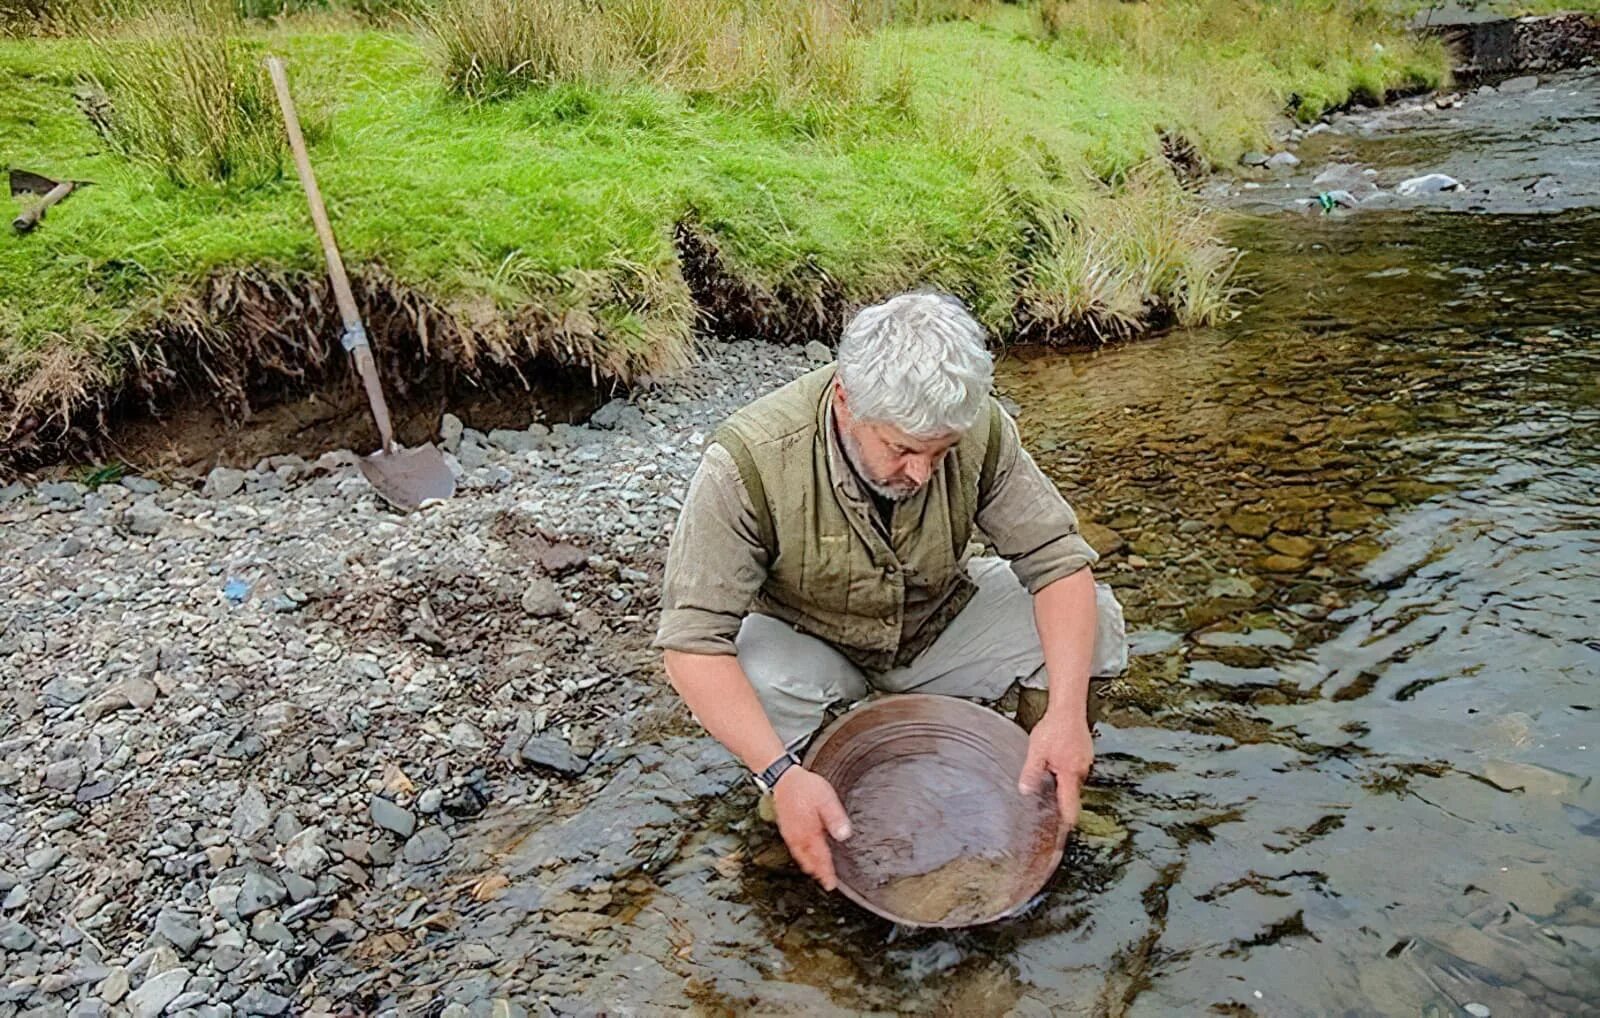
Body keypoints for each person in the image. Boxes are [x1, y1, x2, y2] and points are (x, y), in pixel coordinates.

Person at [652, 291, 1126, 891]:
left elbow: (1057, 563)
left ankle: (1039, 793)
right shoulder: (748, 463)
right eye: (902, 449)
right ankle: (795, 793)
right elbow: (692, 644)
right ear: (846, 403)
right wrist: (780, 775)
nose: (922, 473)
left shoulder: (981, 428)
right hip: (815, 644)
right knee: (750, 667)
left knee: (1099, 623)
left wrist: (1064, 714)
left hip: (936, 623)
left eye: (941, 452)